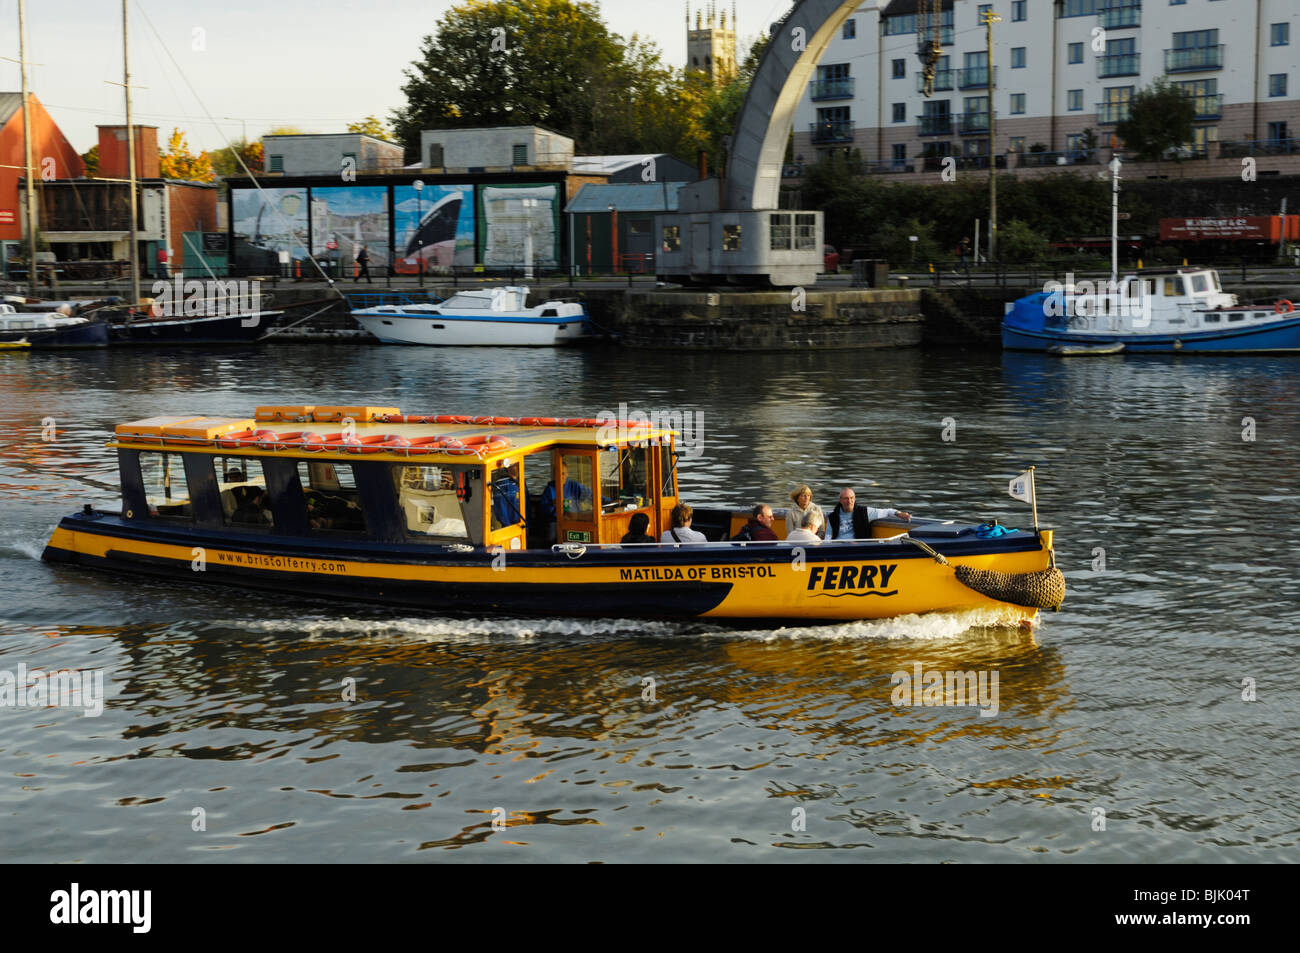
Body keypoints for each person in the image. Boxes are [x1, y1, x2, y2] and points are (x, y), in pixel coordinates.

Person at [825, 487, 912, 540]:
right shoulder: (833, 516)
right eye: (846, 498)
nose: (849, 501)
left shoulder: (864, 512)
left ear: (855, 499)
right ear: (840, 500)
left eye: (852, 498)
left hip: (858, 546)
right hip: (838, 547)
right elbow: (828, 538)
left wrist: (900, 514)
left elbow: (887, 511)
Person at [537, 460, 591, 545]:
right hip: (555, 521)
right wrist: (552, 504)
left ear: (567, 473)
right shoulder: (549, 489)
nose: (561, 476)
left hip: (573, 520)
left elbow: (590, 495)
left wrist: (606, 501)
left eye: (563, 473)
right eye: (558, 474)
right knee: (551, 538)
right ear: (554, 475)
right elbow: (542, 511)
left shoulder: (574, 486)